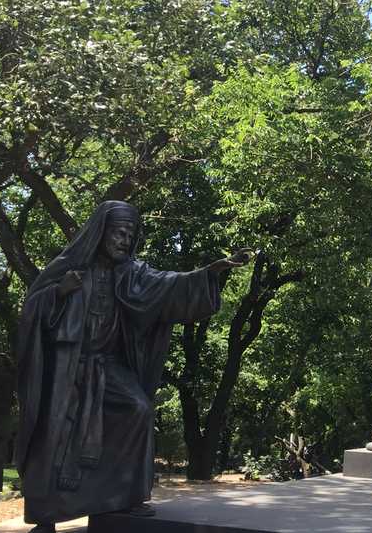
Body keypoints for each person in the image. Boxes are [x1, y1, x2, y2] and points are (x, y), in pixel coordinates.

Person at [15, 200, 251, 533]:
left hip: (107, 365)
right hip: (67, 367)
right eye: (118, 233)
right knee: (54, 432)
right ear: (101, 233)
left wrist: (211, 272)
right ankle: (46, 516)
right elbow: (31, 311)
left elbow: (169, 284)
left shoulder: (132, 274)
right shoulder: (68, 266)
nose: (124, 241)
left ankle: (123, 496)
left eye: (130, 235)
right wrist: (59, 293)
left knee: (138, 408)